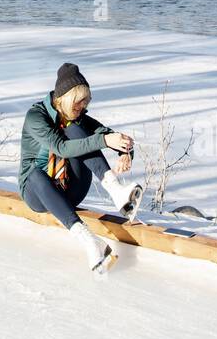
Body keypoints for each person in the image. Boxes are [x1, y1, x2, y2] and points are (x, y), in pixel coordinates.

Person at [19, 62, 142, 274]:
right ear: (64, 99)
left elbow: (110, 134)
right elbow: (61, 148)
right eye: (78, 104)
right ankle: (89, 241)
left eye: (85, 104)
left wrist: (125, 152)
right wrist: (103, 141)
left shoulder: (77, 117)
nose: (82, 109)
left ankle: (117, 191)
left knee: (78, 131)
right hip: (37, 193)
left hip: (71, 189)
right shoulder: (35, 116)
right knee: (35, 173)